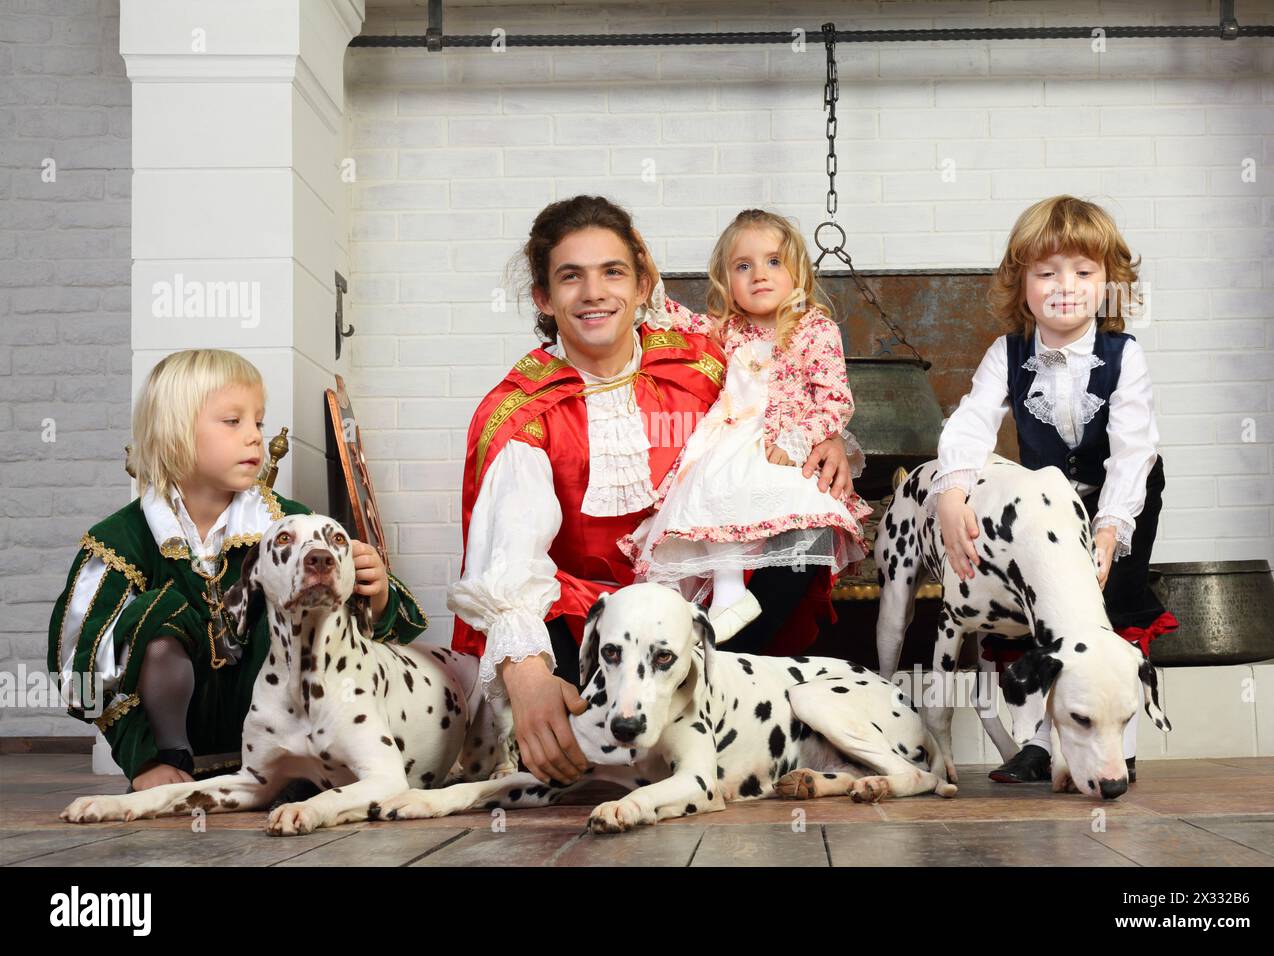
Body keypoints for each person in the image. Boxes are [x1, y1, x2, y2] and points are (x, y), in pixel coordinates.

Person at [449, 195, 856, 787]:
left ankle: (715, 706)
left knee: (798, 532)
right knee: (581, 712)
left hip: (698, 615)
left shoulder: (700, 366)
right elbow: (511, 564)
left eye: (612, 272)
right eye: (571, 276)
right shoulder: (525, 412)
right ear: (543, 297)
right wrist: (527, 674)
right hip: (587, 623)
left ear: (642, 285)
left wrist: (833, 435)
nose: (594, 292)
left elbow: (778, 391)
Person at [47, 349, 429, 791]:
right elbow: (81, 661)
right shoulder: (122, 539)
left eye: (259, 422)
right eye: (233, 422)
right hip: (173, 753)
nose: (254, 438)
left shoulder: (288, 526)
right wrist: (141, 757)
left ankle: (298, 761)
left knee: (289, 599)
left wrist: (375, 591)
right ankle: (169, 756)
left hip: (281, 738)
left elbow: (366, 640)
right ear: (175, 433)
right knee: (156, 612)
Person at [930, 195, 1178, 784]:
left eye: (1084, 273)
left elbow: (1133, 451)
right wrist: (952, 490)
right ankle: (1039, 743)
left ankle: (1120, 748)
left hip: (1120, 496)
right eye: (1046, 273)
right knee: (1044, 620)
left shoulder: (1124, 357)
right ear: (1022, 286)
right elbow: (971, 422)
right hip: (1048, 508)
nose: (1064, 287)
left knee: (1109, 613)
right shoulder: (1008, 354)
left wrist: (1112, 525)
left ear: (1110, 284)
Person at [620, 209, 872, 648]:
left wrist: (798, 438)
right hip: (728, 437)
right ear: (726, 279)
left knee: (794, 506)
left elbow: (835, 400)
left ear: (798, 271)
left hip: (781, 441)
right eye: (743, 266)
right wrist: (648, 279)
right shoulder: (728, 328)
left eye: (774, 261)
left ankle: (759, 618)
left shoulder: (813, 328)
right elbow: (673, 319)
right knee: (710, 495)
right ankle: (730, 592)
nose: (759, 274)